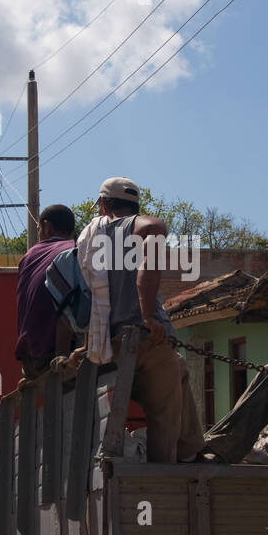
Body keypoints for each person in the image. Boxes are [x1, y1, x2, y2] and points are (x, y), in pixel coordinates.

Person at [79, 177, 204, 464]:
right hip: (144, 339)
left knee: (179, 368)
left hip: (106, 345)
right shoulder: (147, 226)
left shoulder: (89, 237)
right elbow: (148, 268)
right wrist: (147, 315)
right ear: (135, 205)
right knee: (163, 417)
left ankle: (192, 450)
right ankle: (167, 477)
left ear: (104, 203)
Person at [15, 205, 77, 380]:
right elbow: (66, 304)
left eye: (38, 230)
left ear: (46, 226)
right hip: (52, 359)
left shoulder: (28, 256)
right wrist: (62, 355)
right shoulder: (73, 251)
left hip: (28, 362)